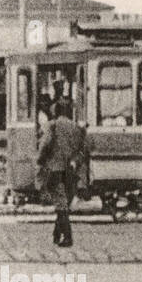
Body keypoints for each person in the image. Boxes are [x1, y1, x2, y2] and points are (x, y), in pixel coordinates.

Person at [36, 100, 89, 247]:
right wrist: (74, 162)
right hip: (71, 170)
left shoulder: (52, 125)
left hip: (55, 169)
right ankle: (56, 233)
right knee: (64, 202)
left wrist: (40, 160)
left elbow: (45, 144)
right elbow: (83, 150)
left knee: (61, 204)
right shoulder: (76, 128)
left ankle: (67, 237)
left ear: (56, 112)